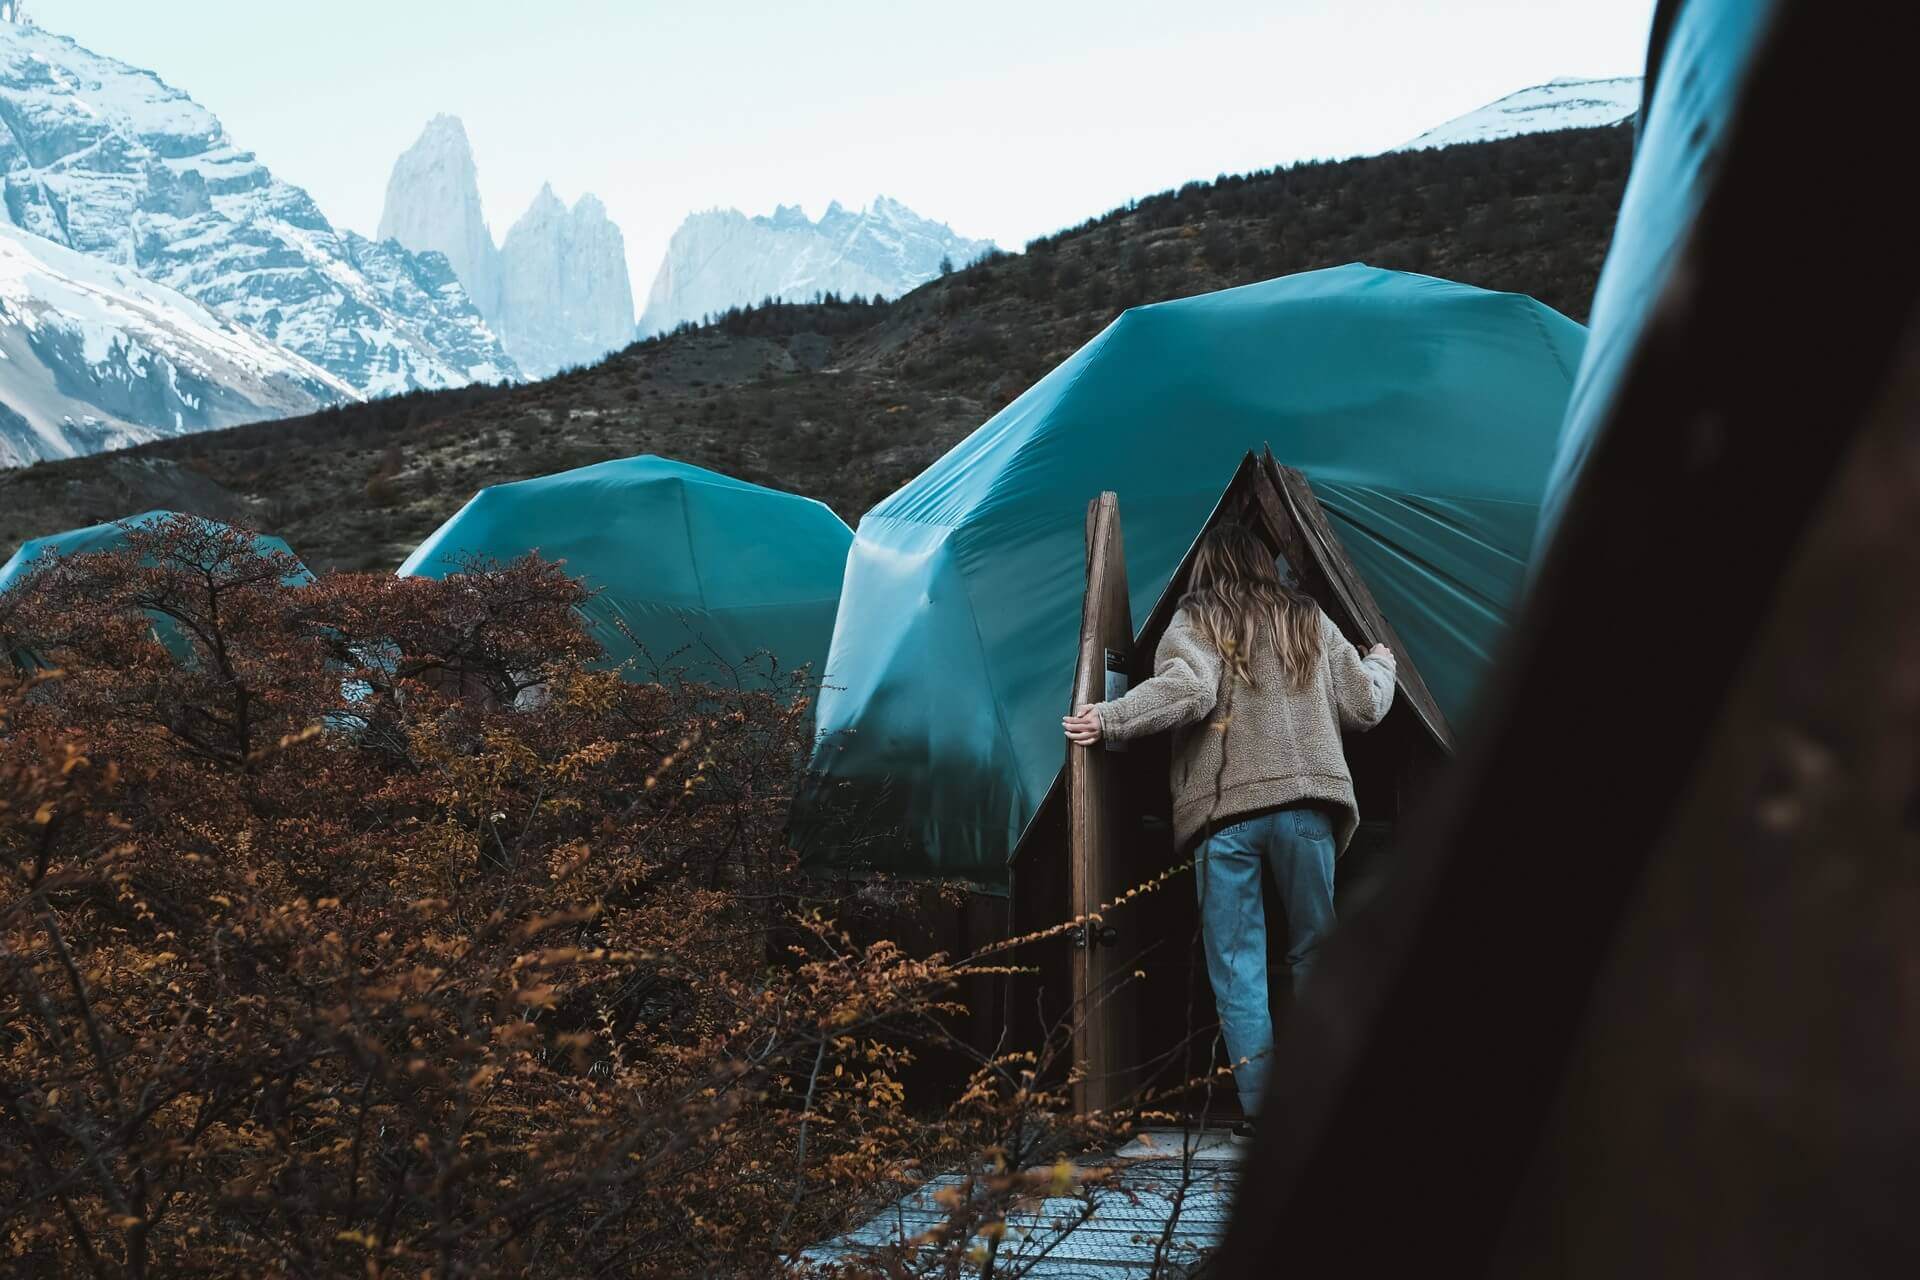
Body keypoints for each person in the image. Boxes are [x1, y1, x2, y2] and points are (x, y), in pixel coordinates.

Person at [1062, 522, 1395, 1130]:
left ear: (1206, 564)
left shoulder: (1198, 619)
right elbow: (1365, 707)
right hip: (1305, 811)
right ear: (1267, 565)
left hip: (1226, 820)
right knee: (1317, 953)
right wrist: (1381, 664)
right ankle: (1326, 1104)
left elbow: (1185, 691)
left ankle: (1266, 1115)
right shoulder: (1308, 619)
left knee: (1238, 967)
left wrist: (1108, 718)